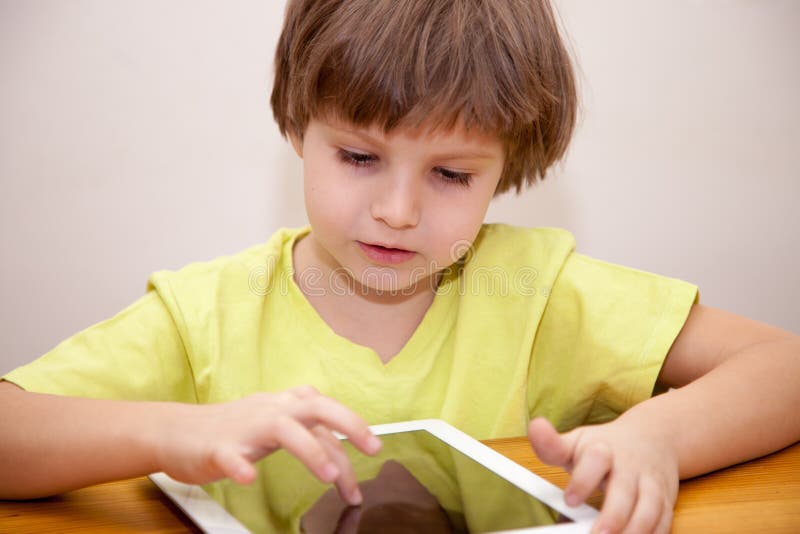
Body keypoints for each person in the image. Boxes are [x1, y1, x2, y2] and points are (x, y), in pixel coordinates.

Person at [1, 1, 798, 532]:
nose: (399, 210)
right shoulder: (209, 311)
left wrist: (659, 433)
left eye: (451, 175)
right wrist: (171, 432)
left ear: (506, 168)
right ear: (297, 126)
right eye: (358, 156)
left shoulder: (535, 291)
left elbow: (785, 367)